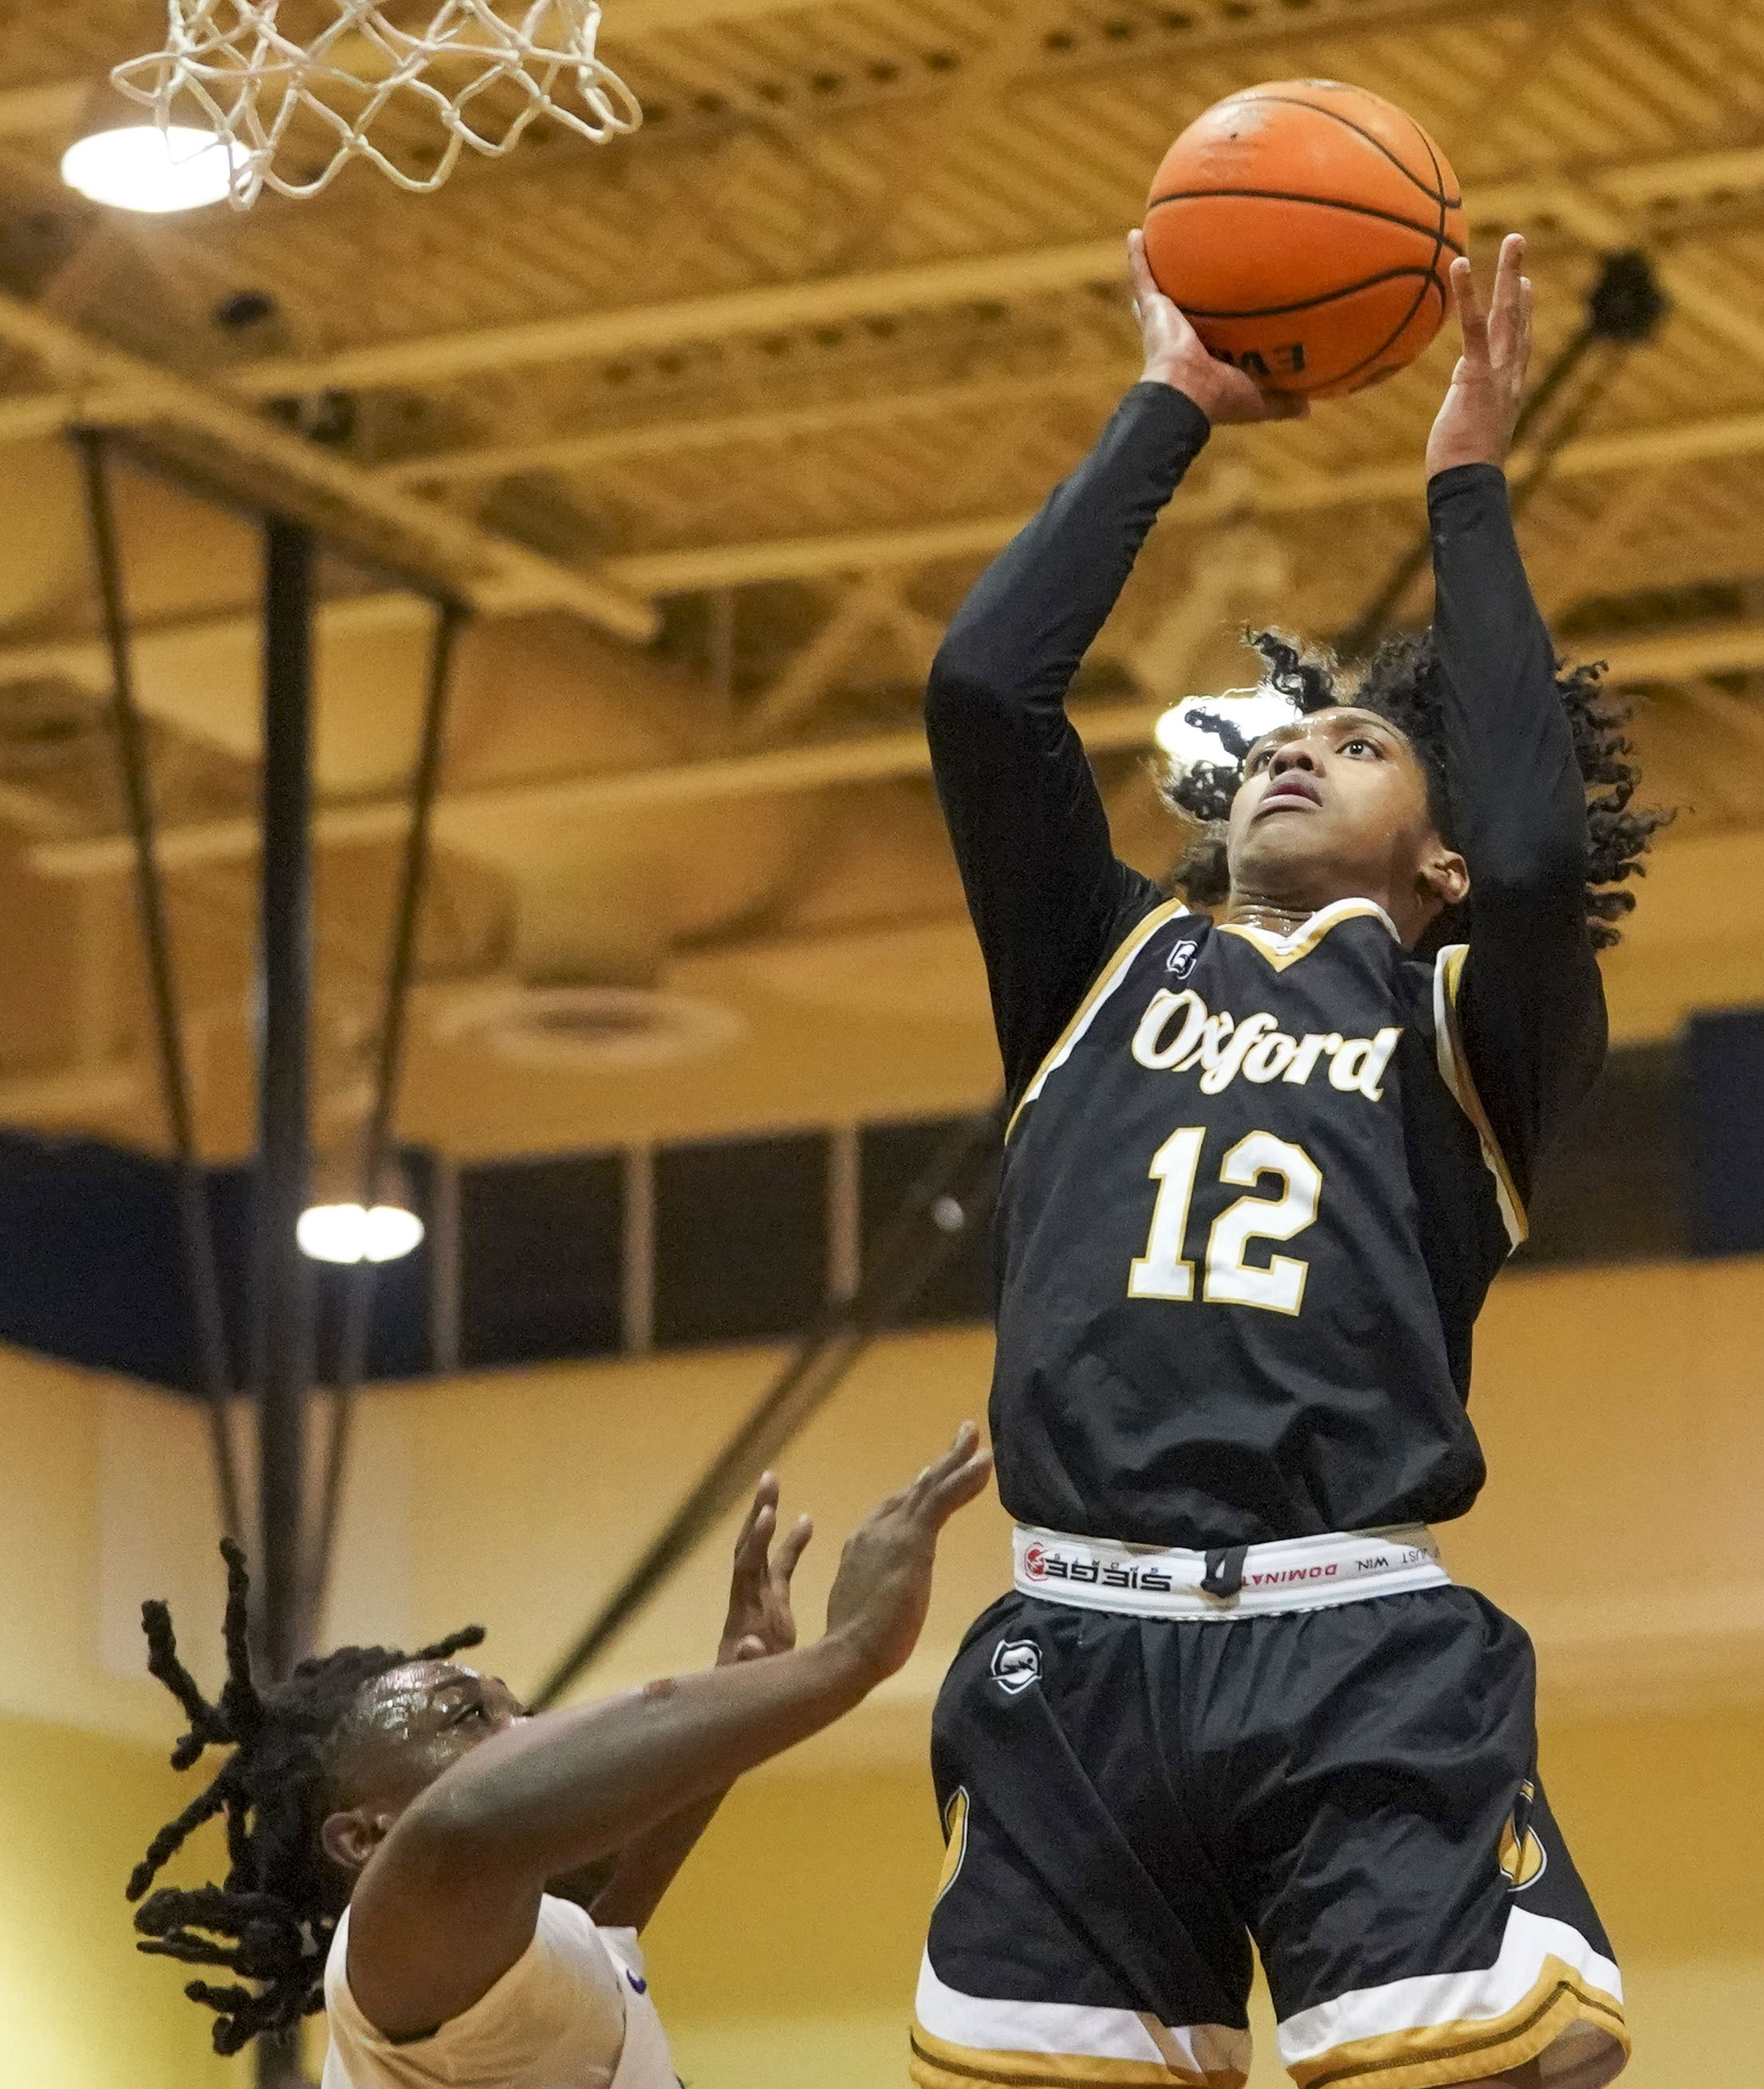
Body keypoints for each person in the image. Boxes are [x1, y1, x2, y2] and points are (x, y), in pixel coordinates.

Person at [912, 232, 1664, 2089]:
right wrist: (1171, 401)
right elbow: (981, 691)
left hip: (1346, 1640)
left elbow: (1550, 862)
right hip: (1073, 1641)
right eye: (1283, 733)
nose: (1293, 753)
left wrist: (1465, 482)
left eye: (1356, 742)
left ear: (1446, 861)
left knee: (1516, 2065)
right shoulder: (1093, 966)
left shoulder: (1470, 1026)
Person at [127, 1425, 992, 2085]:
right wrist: (849, 1658)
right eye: (468, 1715)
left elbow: (604, 1934)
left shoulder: (501, 1964)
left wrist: (736, 1686)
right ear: (364, 1835)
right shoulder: (388, 1935)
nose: (527, 1732)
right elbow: (466, 1823)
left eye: (522, 1711)